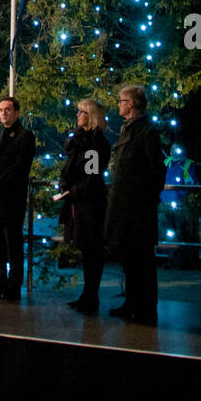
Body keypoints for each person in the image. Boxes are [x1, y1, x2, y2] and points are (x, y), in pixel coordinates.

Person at [104, 84, 167, 325]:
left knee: (142, 261)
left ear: (131, 104)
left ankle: (145, 307)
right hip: (125, 209)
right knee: (130, 261)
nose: (118, 104)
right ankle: (132, 302)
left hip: (138, 210)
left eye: (122, 100)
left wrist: (146, 200)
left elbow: (156, 171)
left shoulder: (146, 133)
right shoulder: (127, 130)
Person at [0, 96, 35, 301]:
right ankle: (0, 279)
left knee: (13, 242)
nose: (4, 113)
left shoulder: (25, 136)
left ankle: (14, 283)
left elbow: (20, 167)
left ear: (16, 112)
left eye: (8, 109)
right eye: (1, 109)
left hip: (11, 197)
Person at [58, 98, 111, 313]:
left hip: (89, 204)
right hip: (79, 201)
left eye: (82, 112)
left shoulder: (94, 143)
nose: (78, 115)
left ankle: (91, 295)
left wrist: (74, 190)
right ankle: (88, 294)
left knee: (91, 249)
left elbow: (91, 174)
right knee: (86, 248)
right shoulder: (81, 142)